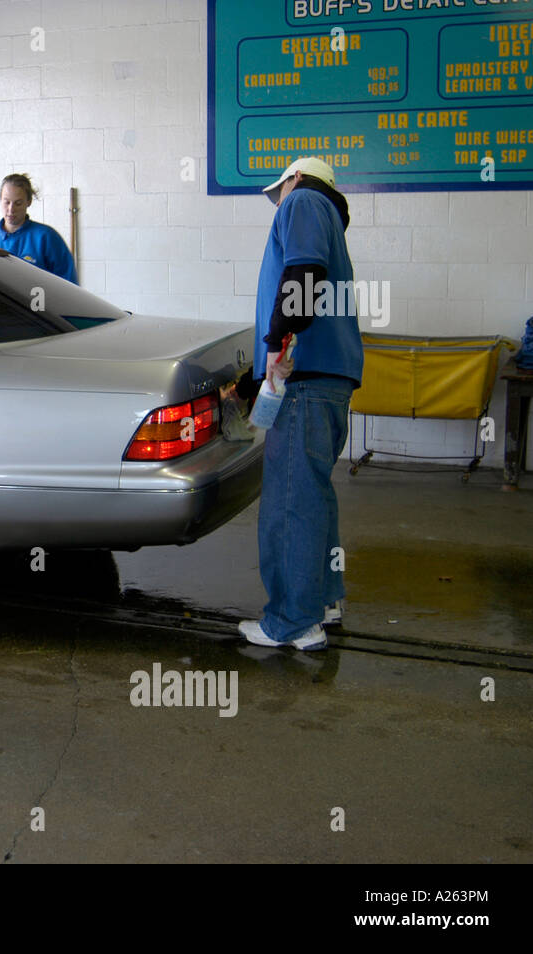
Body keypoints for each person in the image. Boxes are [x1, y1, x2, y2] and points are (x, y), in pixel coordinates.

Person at [239, 156, 363, 652]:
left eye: (280, 191)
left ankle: (291, 620)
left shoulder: (306, 201)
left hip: (303, 378)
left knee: (290, 501)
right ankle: (323, 600)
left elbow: (304, 273)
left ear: (294, 179)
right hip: (329, 379)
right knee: (314, 496)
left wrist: (276, 342)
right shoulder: (330, 216)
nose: (280, 202)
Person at [0, 173, 77, 284]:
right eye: (6, 202)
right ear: (0, 200)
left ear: (29, 202)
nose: (11, 209)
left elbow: (70, 285)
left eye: (18, 203)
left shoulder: (46, 237)